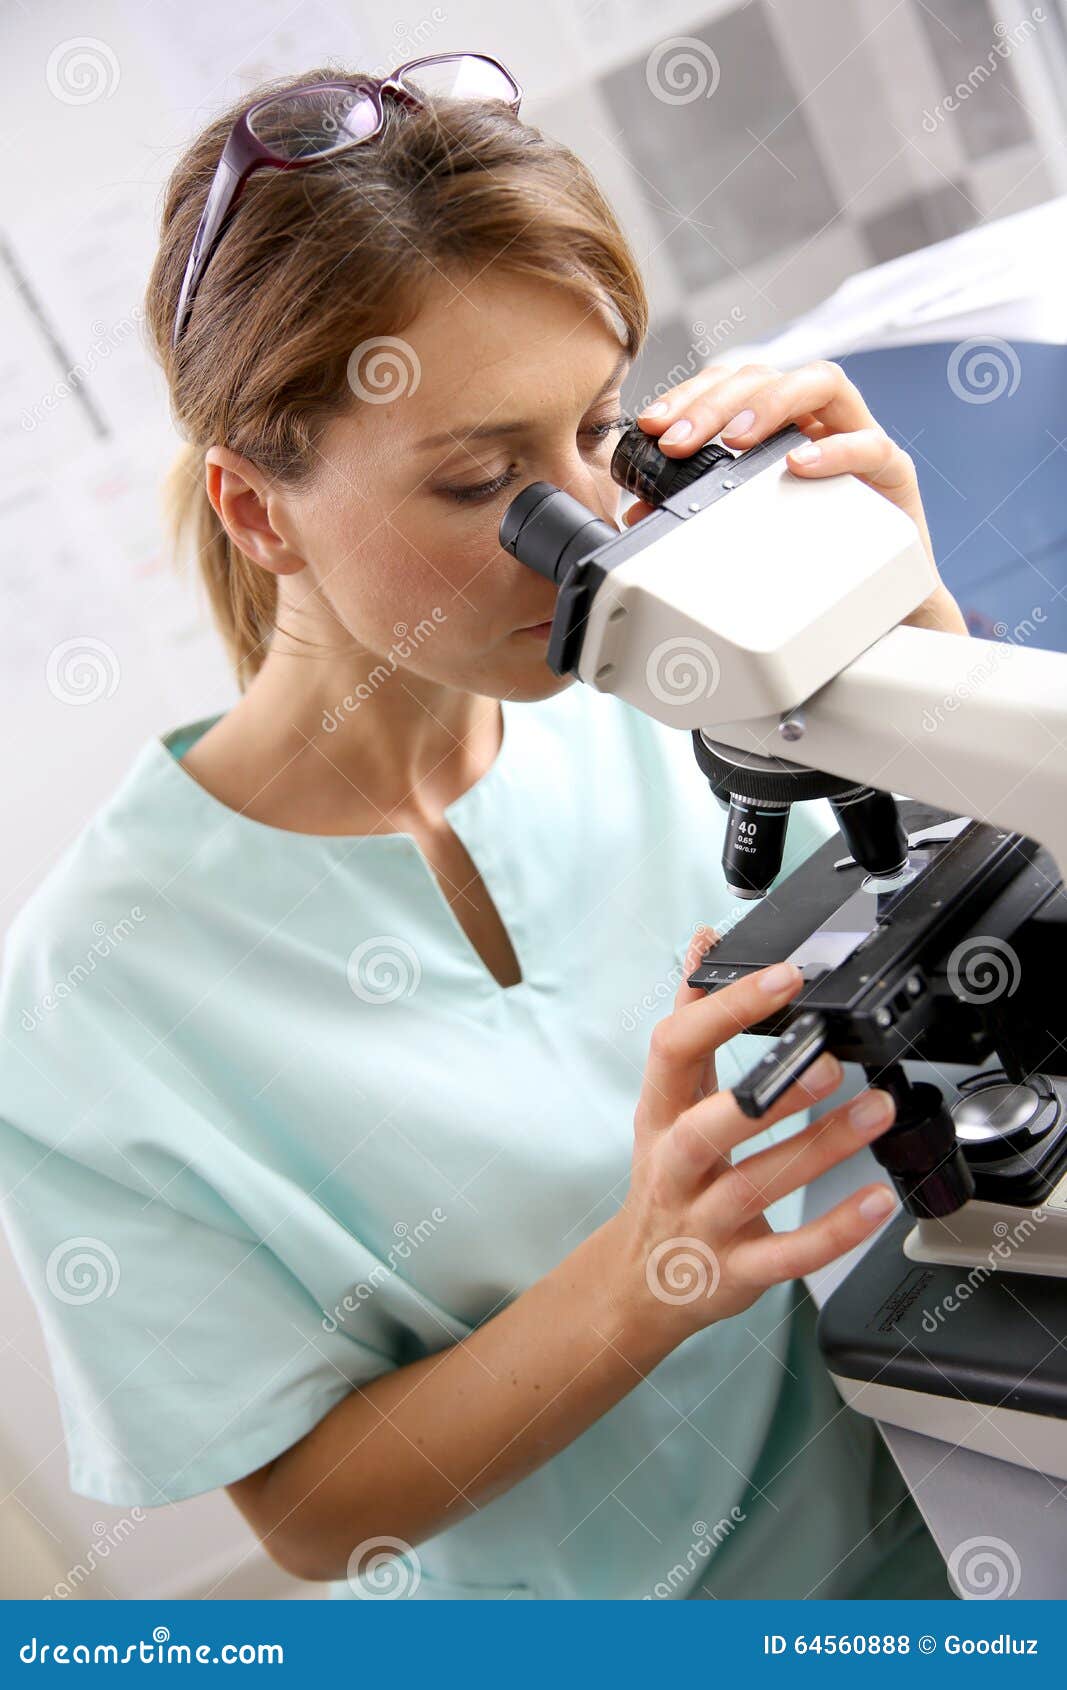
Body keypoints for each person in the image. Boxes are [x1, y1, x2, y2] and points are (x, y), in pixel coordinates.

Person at [0, 59, 969, 1602]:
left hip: (948, 1524)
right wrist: (642, 1277)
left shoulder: (681, 691)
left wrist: (904, 623)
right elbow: (316, 1520)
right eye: (480, 481)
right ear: (261, 511)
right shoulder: (88, 998)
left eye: (600, 430)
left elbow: (974, 921)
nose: (588, 533)